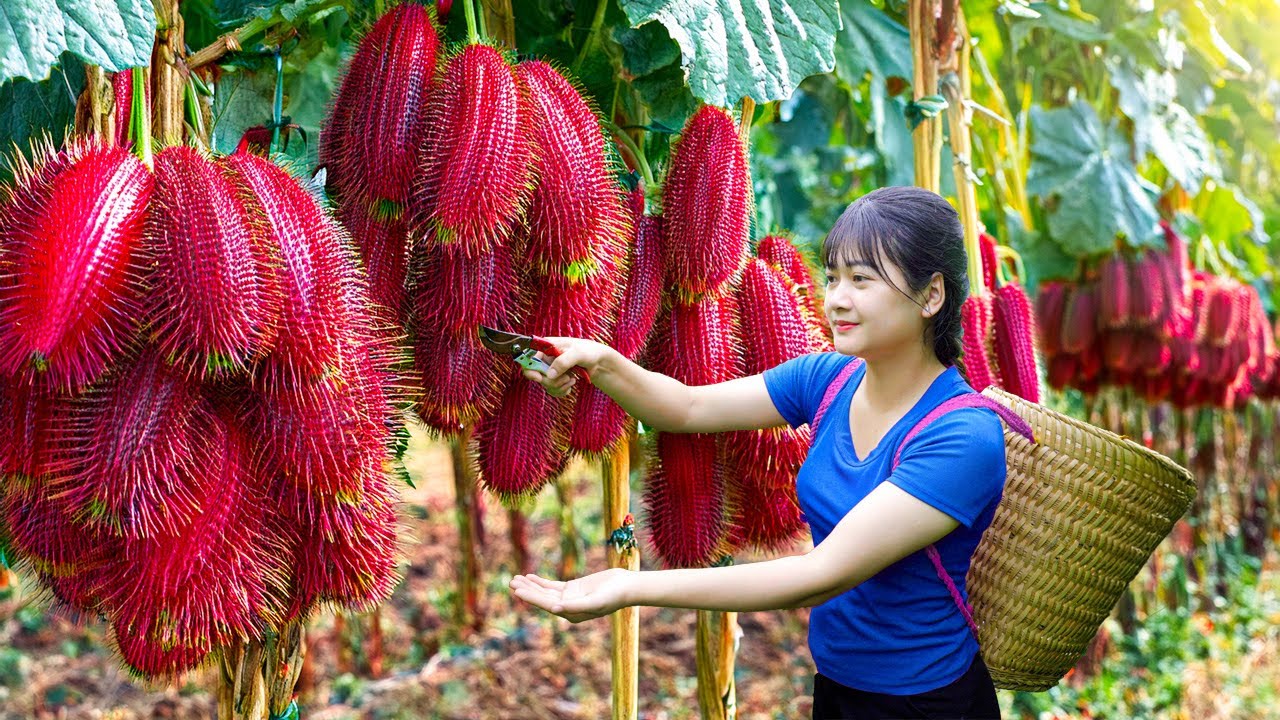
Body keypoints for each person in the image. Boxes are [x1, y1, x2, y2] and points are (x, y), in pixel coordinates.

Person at [508, 186, 1005, 720]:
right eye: (833, 276)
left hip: (926, 702)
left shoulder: (963, 437)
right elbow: (687, 408)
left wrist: (630, 586)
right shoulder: (827, 379)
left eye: (862, 280)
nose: (836, 298)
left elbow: (820, 574)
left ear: (931, 296)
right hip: (839, 684)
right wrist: (599, 361)